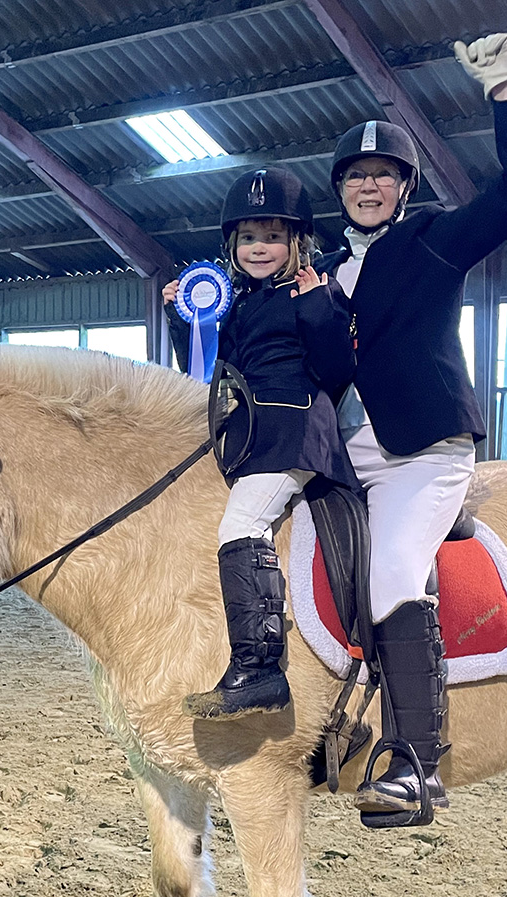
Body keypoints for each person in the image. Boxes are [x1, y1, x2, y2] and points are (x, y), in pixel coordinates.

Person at [312, 33, 507, 823]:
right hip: (357, 449)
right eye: (355, 176)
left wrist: (506, 92)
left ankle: (417, 764)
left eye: (382, 174)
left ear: (403, 187)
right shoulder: (327, 271)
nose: (368, 185)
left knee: (392, 574)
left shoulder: (434, 241)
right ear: (341, 190)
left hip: (427, 450)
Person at [165, 167, 359, 721]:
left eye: (273, 236)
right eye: (248, 237)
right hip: (249, 438)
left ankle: (260, 668)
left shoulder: (319, 288)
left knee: (242, 525)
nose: (259, 248)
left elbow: (336, 369)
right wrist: (183, 320)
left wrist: (317, 304)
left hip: (297, 435)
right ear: (233, 245)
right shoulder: (236, 301)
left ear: (296, 241)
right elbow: (208, 370)